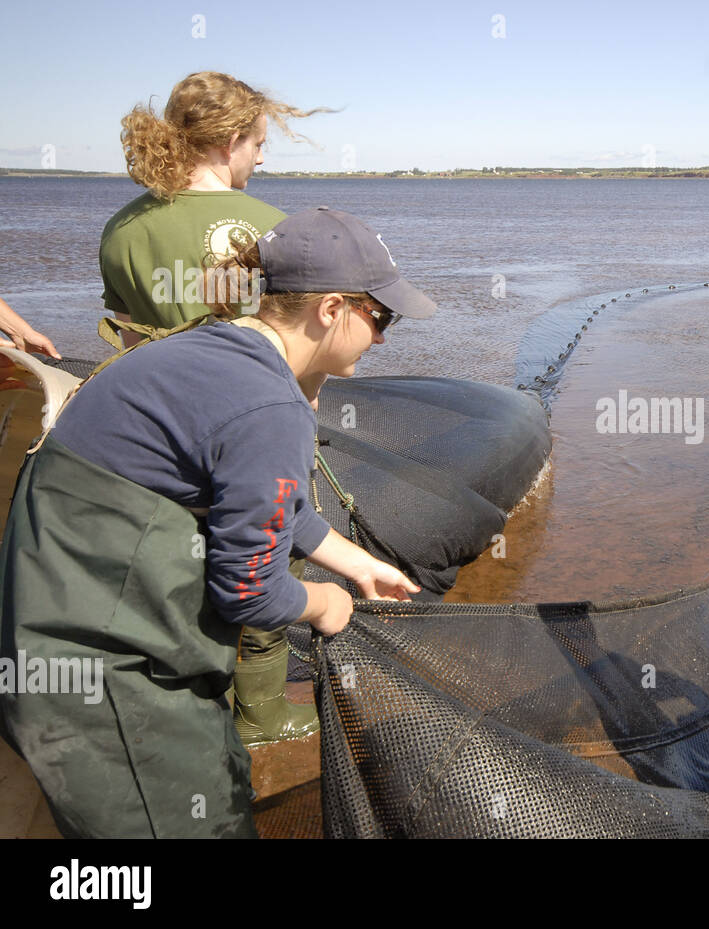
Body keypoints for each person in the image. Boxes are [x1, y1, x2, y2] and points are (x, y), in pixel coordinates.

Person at [0, 208, 434, 837]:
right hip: (102, 680)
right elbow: (249, 589)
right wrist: (325, 603)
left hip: (50, 634)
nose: (384, 338)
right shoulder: (269, 407)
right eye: (381, 317)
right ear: (332, 309)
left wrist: (358, 563)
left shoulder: (215, 347)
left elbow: (264, 499)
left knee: (211, 774)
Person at [101, 71, 331, 747]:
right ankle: (261, 713)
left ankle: (187, 708)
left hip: (158, 444)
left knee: (177, 569)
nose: (262, 158)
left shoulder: (123, 230)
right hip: (251, 429)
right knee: (265, 557)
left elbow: (131, 344)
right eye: (258, 143)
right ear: (231, 141)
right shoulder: (274, 228)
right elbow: (299, 354)